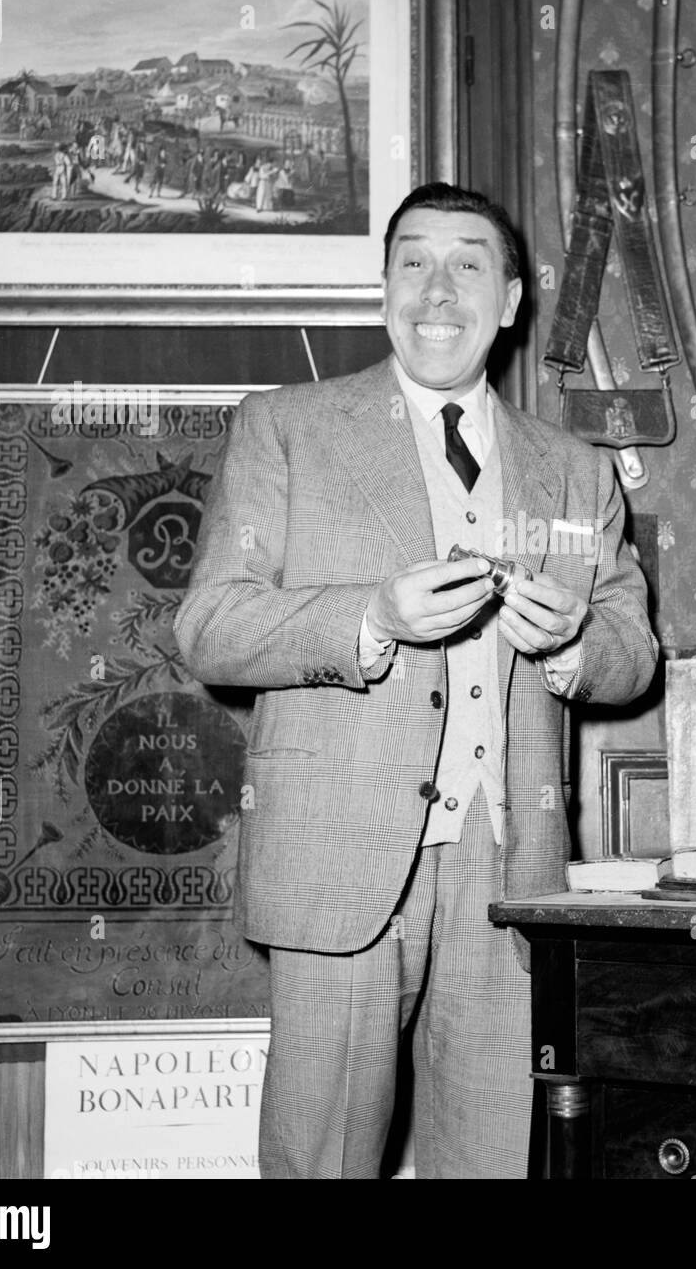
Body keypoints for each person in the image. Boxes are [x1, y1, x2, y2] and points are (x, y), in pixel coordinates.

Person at [175, 181, 657, 1179]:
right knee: (321, 1161)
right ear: (384, 287)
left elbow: (633, 654)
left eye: (468, 263)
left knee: (487, 1158)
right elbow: (210, 628)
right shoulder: (286, 428)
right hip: (338, 857)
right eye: (412, 261)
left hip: (509, 867)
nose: (437, 289)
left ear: (513, 300)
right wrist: (369, 616)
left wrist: (570, 643)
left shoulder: (573, 468)